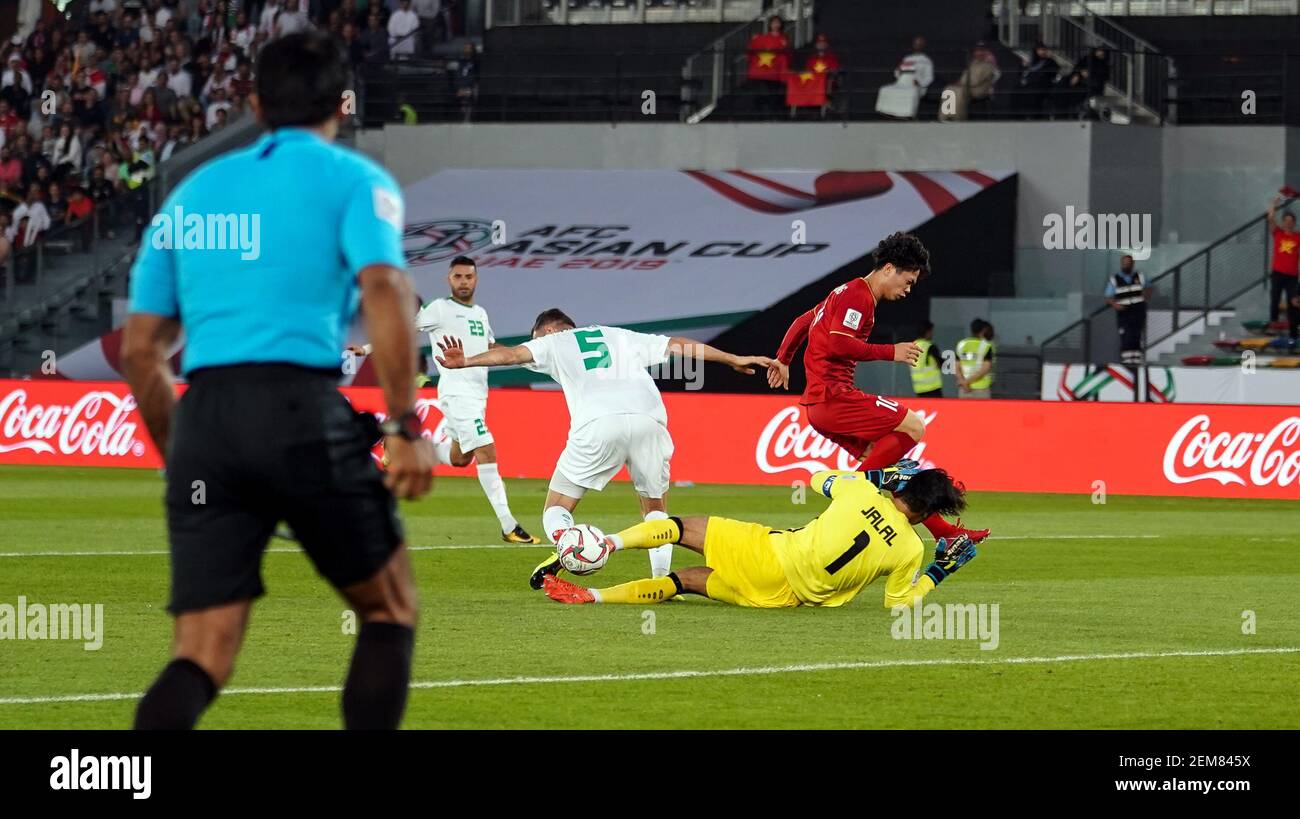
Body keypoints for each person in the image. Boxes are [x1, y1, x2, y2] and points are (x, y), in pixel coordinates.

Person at [122, 31, 434, 731]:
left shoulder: (192, 193)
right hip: (299, 410)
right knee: (389, 607)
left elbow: (141, 352)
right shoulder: (356, 181)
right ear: (340, 105)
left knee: (201, 654)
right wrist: (403, 423)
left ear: (255, 102)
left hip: (206, 418)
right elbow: (385, 290)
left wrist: (186, 459)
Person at [434, 308, 777, 589]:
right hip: (649, 421)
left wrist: (466, 362)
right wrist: (732, 358)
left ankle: (572, 544)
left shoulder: (552, 342)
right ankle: (662, 583)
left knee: (556, 506)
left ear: (548, 332)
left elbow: (509, 354)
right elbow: (678, 345)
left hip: (597, 425)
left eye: (536, 341)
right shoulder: (618, 335)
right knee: (655, 509)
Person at [767, 232, 989, 545]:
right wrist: (890, 352)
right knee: (913, 426)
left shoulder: (844, 292)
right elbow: (837, 343)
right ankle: (842, 504)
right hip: (834, 398)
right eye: (908, 281)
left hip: (821, 406)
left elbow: (804, 320)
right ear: (888, 269)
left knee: (886, 468)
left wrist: (783, 358)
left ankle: (946, 534)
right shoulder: (857, 296)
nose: (908, 290)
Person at [543, 464, 979, 610]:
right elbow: (898, 604)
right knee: (688, 581)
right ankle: (592, 597)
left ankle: (606, 546)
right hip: (782, 598)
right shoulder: (910, 548)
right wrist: (941, 570)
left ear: (902, 488)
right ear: (931, 512)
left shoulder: (860, 490)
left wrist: (876, 474)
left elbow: (817, 478)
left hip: (771, 552)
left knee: (678, 527)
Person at [352, 256, 540, 544]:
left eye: (468, 277)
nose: (463, 282)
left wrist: (525, 356)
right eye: (458, 277)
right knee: (486, 450)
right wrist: (367, 348)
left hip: (478, 394)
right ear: (448, 280)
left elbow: (488, 347)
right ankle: (508, 525)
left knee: (460, 458)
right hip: (457, 393)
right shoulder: (440, 309)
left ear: (476, 280)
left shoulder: (480, 313)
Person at [1104, 255, 1151, 366]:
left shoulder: (1139, 276)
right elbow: (1107, 298)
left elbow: (1149, 287)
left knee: (1137, 336)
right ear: (1121, 264)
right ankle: (1127, 362)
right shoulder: (1115, 279)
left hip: (1138, 311)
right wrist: (1115, 305)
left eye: (1129, 264)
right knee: (1126, 337)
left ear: (1132, 264)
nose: (1126, 266)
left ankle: (1136, 361)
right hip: (1124, 312)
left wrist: (1146, 295)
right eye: (1124, 264)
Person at [1267, 194, 1298, 340]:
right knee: (1275, 298)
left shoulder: (1298, 237)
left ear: (1294, 223)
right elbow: (1271, 219)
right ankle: (1273, 325)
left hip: (1292, 276)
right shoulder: (1278, 233)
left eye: (1291, 221)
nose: (1288, 223)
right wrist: (1274, 203)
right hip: (1278, 273)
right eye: (1286, 221)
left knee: (1293, 302)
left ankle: (1293, 332)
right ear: (1283, 222)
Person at [955, 318, 996, 398]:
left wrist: (963, 382)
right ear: (984, 330)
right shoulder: (987, 346)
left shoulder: (962, 344)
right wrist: (967, 382)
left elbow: (956, 367)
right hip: (981, 388)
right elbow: (985, 369)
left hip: (964, 389)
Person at [910, 320, 943, 398]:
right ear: (928, 332)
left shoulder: (911, 346)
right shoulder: (930, 347)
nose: (932, 334)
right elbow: (941, 364)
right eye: (932, 331)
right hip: (933, 388)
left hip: (918, 389)